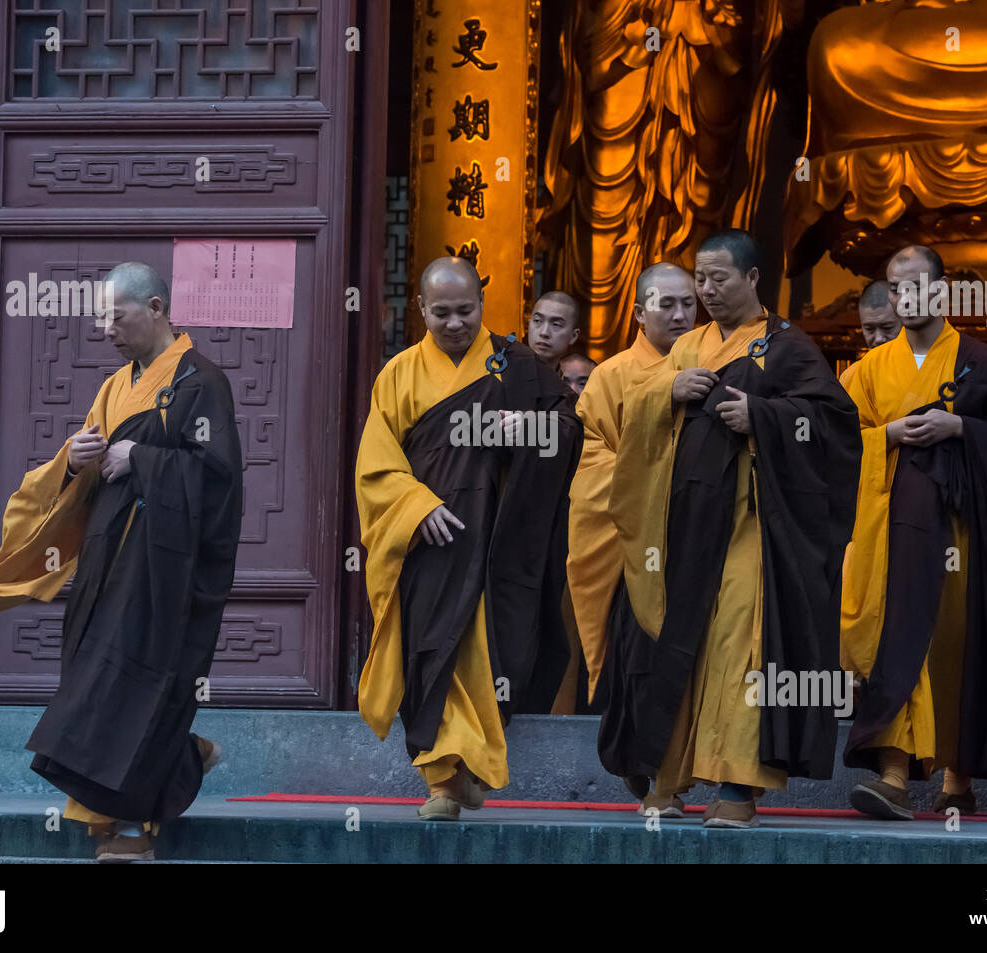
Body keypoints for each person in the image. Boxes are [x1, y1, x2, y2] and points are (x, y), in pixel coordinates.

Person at [0, 262, 243, 862]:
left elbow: (219, 481)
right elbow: (87, 474)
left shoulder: (202, 383)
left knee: (133, 685)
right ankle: (179, 757)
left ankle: (125, 830)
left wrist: (141, 458)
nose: (107, 330)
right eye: (101, 319)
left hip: (161, 573)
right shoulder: (117, 387)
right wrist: (76, 457)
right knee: (96, 687)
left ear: (157, 308)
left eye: (117, 317)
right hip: (105, 566)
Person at [597, 231, 861, 827]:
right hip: (686, 528)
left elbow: (834, 425)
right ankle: (668, 779)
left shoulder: (786, 346)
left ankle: (738, 786)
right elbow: (632, 412)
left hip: (752, 528)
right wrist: (667, 389)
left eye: (720, 279)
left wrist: (763, 418)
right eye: (701, 279)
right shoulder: (687, 346)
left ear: (752, 279)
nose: (707, 290)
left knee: (740, 646)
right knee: (675, 644)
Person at [355, 257, 580, 820]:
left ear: (482, 303)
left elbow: (571, 428)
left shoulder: (518, 366)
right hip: (430, 543)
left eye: (466, 310)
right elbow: (376, 465)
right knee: (432, 652)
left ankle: (464, 768)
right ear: (421, 310)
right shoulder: (400, 374)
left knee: (489, 654)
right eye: (441, 313)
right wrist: (415, 506)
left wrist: (531, 430)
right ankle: (442, 778)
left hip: (500, 543)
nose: (455, 323)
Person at [840, 245, 987, 820]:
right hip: (895, 534)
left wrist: (960, 427)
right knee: (902, 641)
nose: (906, 299)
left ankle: (958, 774)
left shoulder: (979, 360)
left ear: (942, 289)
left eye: (916, 286)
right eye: (895, 288)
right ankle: (894, 775)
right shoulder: (870, 370)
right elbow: (832, 444)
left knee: (955, 646)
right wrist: (889, 435)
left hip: (962, 536)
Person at [565, 262, 696, 720]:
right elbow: (592, 460)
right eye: (667, 304)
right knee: (635, 654)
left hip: (697, 534)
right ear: (640, 312)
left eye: (688, 303)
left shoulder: (714, 365)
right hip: (630, 542)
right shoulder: (612, 375)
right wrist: (653, 487)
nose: (680, 314)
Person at [840, 280, 901, 390]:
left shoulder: (923, 369)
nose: (878, 338)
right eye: (869, 329)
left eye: (887, 328)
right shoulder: (851, 377)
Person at [526, 291, 583, 371]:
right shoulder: (505, 375)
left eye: (556, 324)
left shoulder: (573, 382)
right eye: (537, 320)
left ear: (573, 336)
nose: (544, 333)